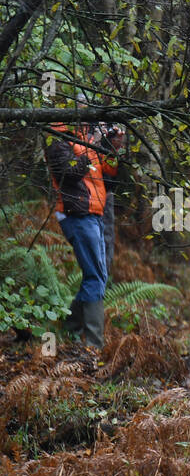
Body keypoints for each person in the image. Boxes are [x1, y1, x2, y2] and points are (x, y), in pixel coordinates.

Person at [44, 121, 122, 347]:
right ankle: (94, 345)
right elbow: (68, 174)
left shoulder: (86, 138)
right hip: (76, 213)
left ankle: (70, 328)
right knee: (96, 277)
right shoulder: (58, 137)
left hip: (94, 213)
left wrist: (112, 146)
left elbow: (110, 177)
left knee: (97, 276)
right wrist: (93, 145)